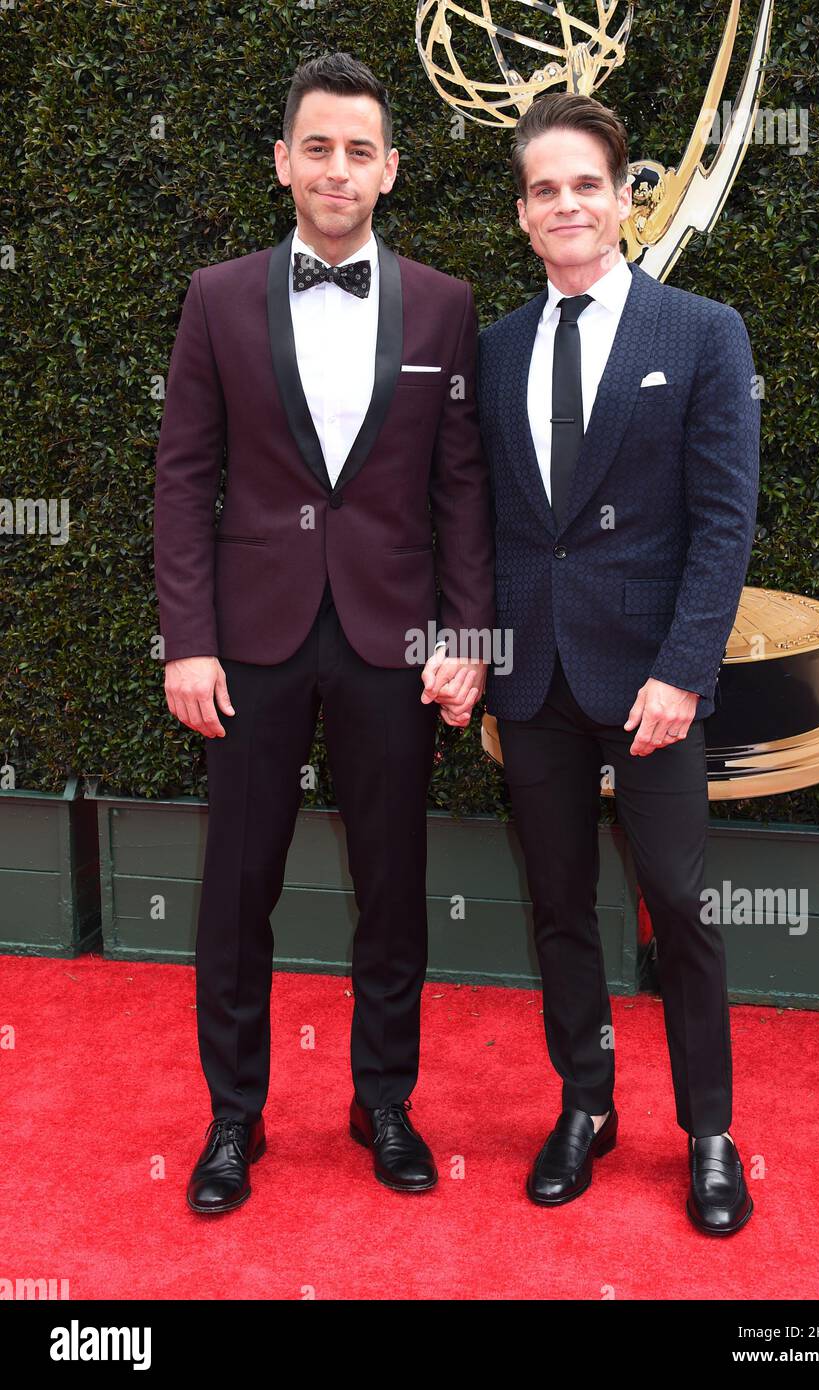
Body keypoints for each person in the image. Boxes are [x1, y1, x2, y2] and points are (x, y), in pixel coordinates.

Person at [153, 51, 492, 1213]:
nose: (337, 167)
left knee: (391, 880)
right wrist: (185, 638)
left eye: (360, 149)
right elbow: (184, 474)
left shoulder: (446, 305)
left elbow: (461, 490)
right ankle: (232, 1116)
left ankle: (382, 1100)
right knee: (235, 885)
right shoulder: (214, 297)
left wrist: (467, 634)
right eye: (317, 146)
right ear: (283, 161)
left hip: (392, 640)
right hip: (248, 641)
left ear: (389, 170)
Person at [477, 92, 760, 1233]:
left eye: (584, 183)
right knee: (556, 907)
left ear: (622, 196)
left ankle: (708, 1132)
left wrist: (683, 670)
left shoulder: (699, 332)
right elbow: (487, 521)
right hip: (533, 683)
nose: (565, 204)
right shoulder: (494, 347)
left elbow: (723, 520)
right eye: (543, 188)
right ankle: (584, 1106)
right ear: (522, 212)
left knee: (678, 907)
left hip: (652, 684)